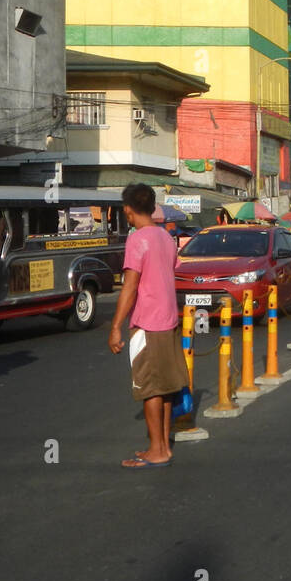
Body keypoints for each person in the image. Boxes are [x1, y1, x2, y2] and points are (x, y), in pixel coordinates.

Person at [109, 183, 188, 471]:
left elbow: (130, 286)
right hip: (168, 320)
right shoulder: (167, 238)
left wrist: (116, 326)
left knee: (149, 388)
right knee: (165, 387)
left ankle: (158, 450)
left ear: (128, 210)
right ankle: (163, 446)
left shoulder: (137, 239)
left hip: (148, 323)